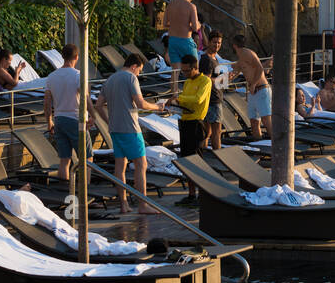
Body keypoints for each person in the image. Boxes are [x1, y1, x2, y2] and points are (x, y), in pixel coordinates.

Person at [93, 54, 165, 215]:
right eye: (139, 71)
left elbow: (98, 105)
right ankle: (143, 205)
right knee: (141, 164)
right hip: (130, 128)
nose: (138, 74)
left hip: (115, 128)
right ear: (134, 66)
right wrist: (157, 107)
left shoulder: (110, 79)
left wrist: (109, 121)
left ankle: (124, 204)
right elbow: (140, 104)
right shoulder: (131, 78)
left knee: (120, 166)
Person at [43, 43, 95, 183]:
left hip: (59, 120)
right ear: (77, 57)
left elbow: (47, 102)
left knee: (64, 160)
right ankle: (86, 193)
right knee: (86, 158)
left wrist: (49, 121)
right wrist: (93, 116)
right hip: (76, 120)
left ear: (62, 56)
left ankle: (65, 193)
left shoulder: (51, 77)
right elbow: (85, 97)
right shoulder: (78, 75)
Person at [168, 53, 211, 206]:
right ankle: (191, 194)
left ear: (195, 68)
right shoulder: (187, 82)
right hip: (185, 122)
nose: (185, 74)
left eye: (187, 71)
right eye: (183, 71)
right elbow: (186, 102)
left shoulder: (205, 81)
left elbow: (198, 99)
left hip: (197, 124)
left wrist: (178, 98)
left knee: (197, 160)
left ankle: (202, 194)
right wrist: (173, 105)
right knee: (186, 160)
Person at [229, 34, 272, 139]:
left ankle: (277, 147)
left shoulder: (248, 53)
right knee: (253, 122)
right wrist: (217, 82)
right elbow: (233, 74)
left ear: (234, 45)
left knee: (266, 120)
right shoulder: (241, 58)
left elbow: (260, 68)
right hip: (253, 92)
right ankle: (259, 146)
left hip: (261, 89)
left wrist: (253, 84)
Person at [164, 0, 201, 95]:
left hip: (173, 40)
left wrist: (176, 24)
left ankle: (174, 95)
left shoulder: (170, 5)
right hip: (186, 41)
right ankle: (194, 94)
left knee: (175, 71)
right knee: (194, 68)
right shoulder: (191, 7)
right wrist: (199, 25)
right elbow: (195, 27)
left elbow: (165, 23)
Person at [199, 36, 225, 151]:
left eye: (219, 43)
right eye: (214, 42)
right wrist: (221, 79)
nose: (217, 45)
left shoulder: (214, 58)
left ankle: (202, 154)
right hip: (213, 99)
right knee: (216, 131)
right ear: (208, 42)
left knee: (207, 132)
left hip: (211, 97)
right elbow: (206, 79)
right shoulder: (207, 59)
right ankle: (218, 156)